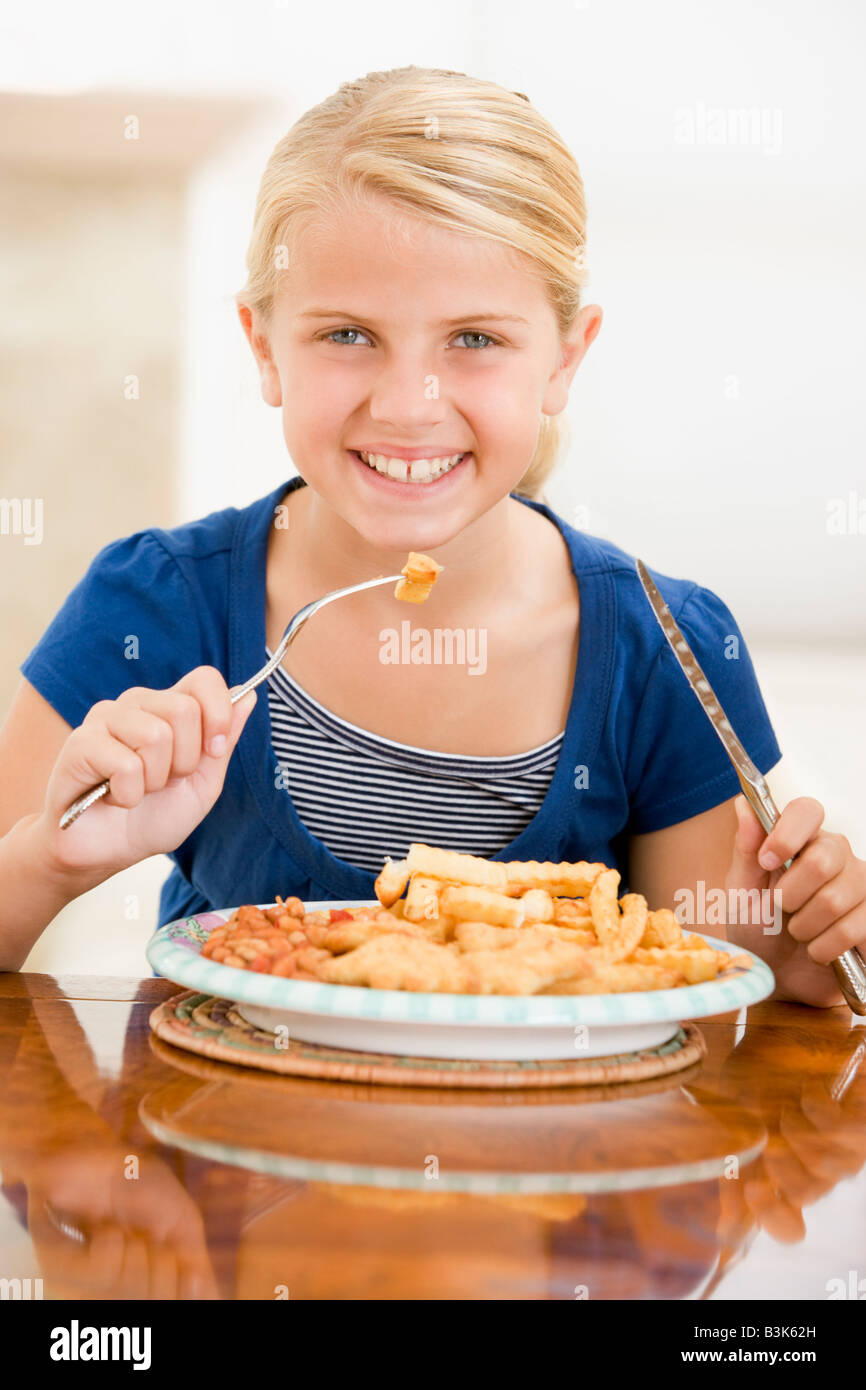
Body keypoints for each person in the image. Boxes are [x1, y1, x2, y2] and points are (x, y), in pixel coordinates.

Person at [1, 66, 863, 1004]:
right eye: (347, 334)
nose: (409, 407)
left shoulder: (668, 648)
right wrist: (52, 856)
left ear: (565, 360)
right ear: (263, 346)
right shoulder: (159, 605)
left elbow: (710, 995)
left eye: (475, 340)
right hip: (214, 1146)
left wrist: (793, 962)